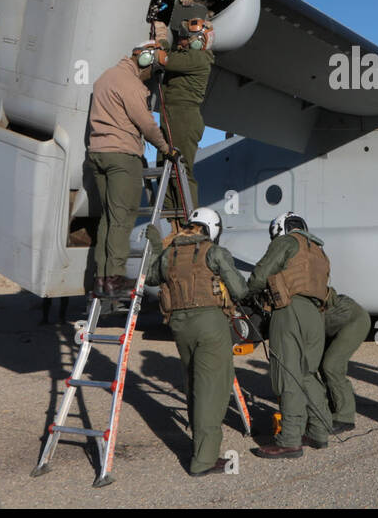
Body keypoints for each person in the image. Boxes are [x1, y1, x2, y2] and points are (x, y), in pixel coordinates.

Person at [145, 208, 248, 477]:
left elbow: (153, 277)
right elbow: (240, 290)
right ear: (211, 229)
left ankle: (199, 447)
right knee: (211, 390)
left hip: (179, 326)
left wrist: (156, 244)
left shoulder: (171, 252)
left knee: (193, 384)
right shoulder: (213, 252)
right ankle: (204, 459)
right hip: (210, 324)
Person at [85, 41, 172, 300]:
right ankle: (114, 280)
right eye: (151, 68)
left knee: (109, 218)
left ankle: (101, 279)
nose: (150, 75)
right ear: (143, 59)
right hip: (122, 156)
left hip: (97, 153)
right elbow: (145, 122)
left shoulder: (105, 78)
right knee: (122, 219)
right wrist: (165, 147)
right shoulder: (130, 84)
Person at [246, 212, 333, 458]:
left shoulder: (286, 242)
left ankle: (289, 440)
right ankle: (319, 432)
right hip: (315, 315)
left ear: (279, 230)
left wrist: (245, 293)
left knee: (287, 374)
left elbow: (260, 275)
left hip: (289, 311)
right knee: (307, 374)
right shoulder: (318, 250)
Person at [152, 0, 214, 213]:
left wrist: (161, 36)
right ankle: (174, 221)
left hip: (184, 117)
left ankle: (189, 220)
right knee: (165, 167)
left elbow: (164, 59)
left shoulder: (198, 59)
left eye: (185, 39)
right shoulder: (190, 56)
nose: (181, 41)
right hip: (173, 115)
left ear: (198, 41)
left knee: (181, 170)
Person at [320, 286, 370, 433]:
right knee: (320, 365)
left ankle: (345, 417)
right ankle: (330, 409)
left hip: (354, 321)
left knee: (332, 365)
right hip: (333, 326)